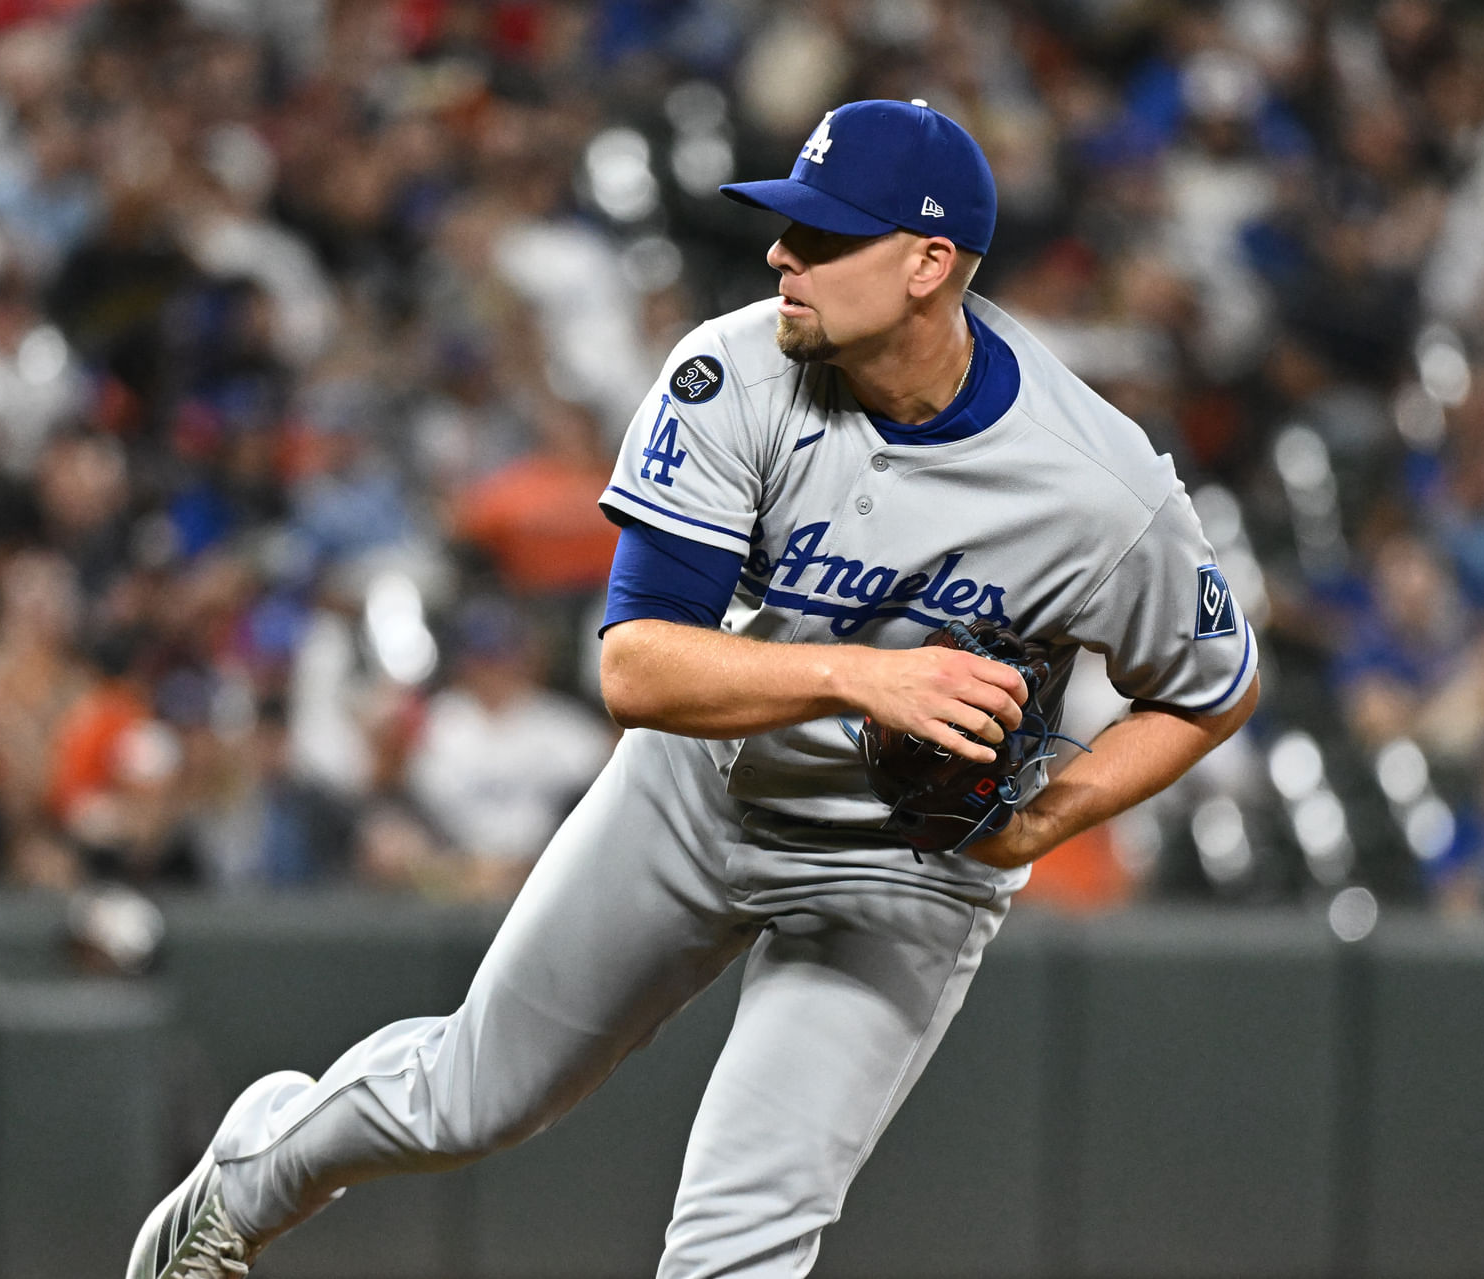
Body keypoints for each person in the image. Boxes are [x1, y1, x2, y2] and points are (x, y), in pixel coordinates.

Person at [128, 99, 1260, 1279]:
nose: (782, 255)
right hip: (698, 790)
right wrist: (862, 675)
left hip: (898, 867)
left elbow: (1212, 688)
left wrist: (1051, 815)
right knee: (469, 1099)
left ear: (930, 265)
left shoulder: (1096, 485)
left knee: (743, 1231)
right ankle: (252, 1174)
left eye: (824, 239)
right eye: (787, 229)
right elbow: (635, 665)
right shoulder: (734, 371)